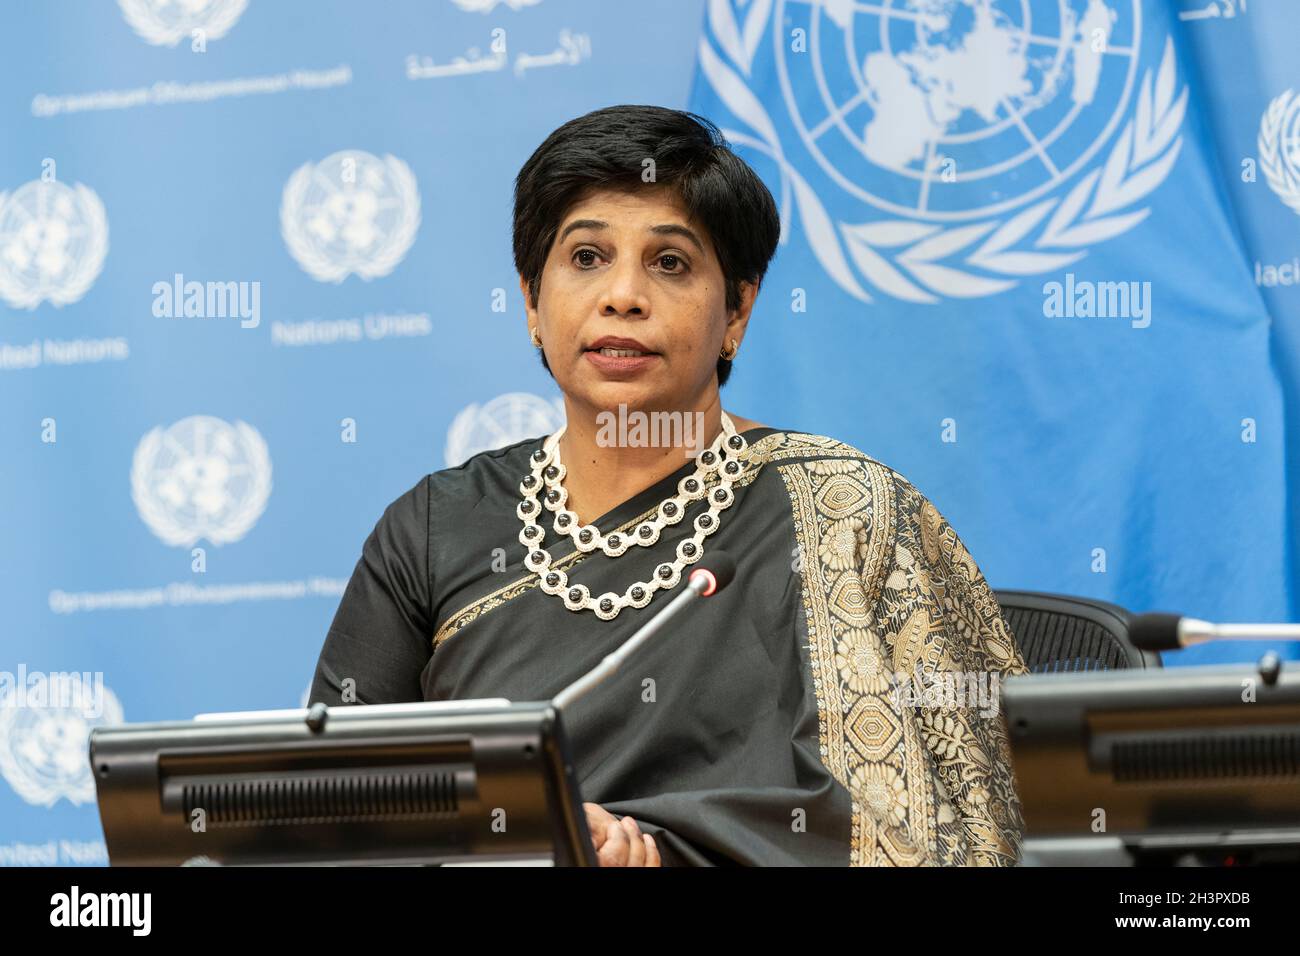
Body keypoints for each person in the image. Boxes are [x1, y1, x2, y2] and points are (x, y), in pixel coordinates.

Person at [309, 104, 1029, 866]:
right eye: (586, 257)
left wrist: (658, 855)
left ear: (736, 314)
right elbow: (324, 810)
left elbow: (949, 823)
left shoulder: (848, 510)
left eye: (670, 263)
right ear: (530, 301)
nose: (623, 295)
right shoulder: (435, 526)